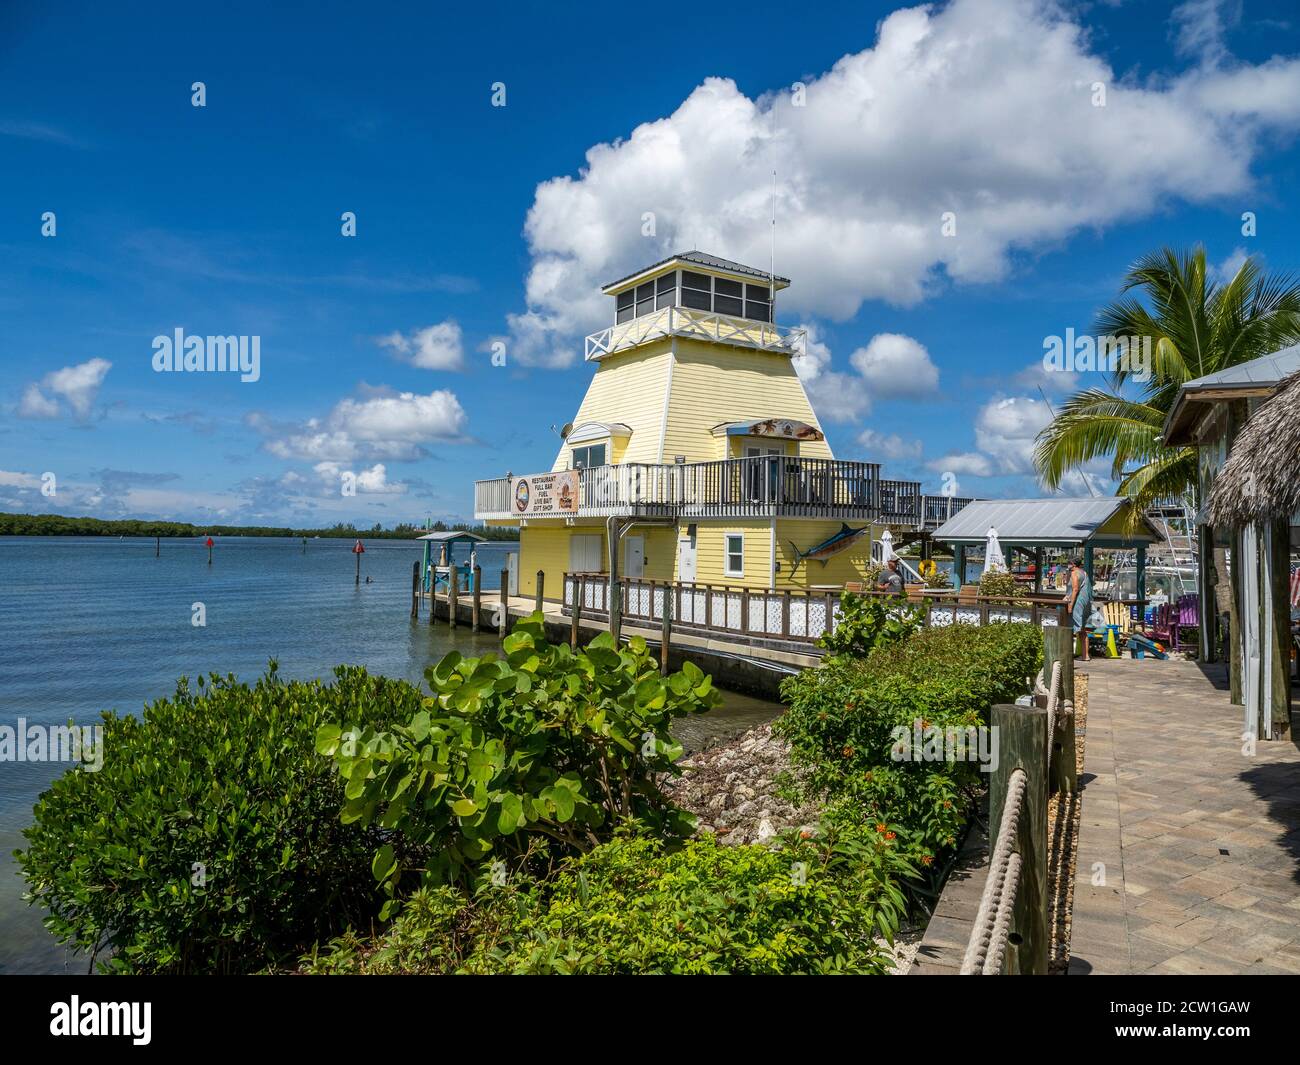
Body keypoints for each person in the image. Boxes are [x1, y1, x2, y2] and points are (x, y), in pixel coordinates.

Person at [1065, 556, 1092, 660]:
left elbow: (1075, 589)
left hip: (1078, 602)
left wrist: (1070, 605)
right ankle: (1086, 655)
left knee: (1073, 628)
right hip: (1086, 602)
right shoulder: (1084, 573)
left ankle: (1067, 654)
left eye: (1069, 563)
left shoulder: (1074, 573)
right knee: (1083, 629)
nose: (1068, 565)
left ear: (1073, 564)